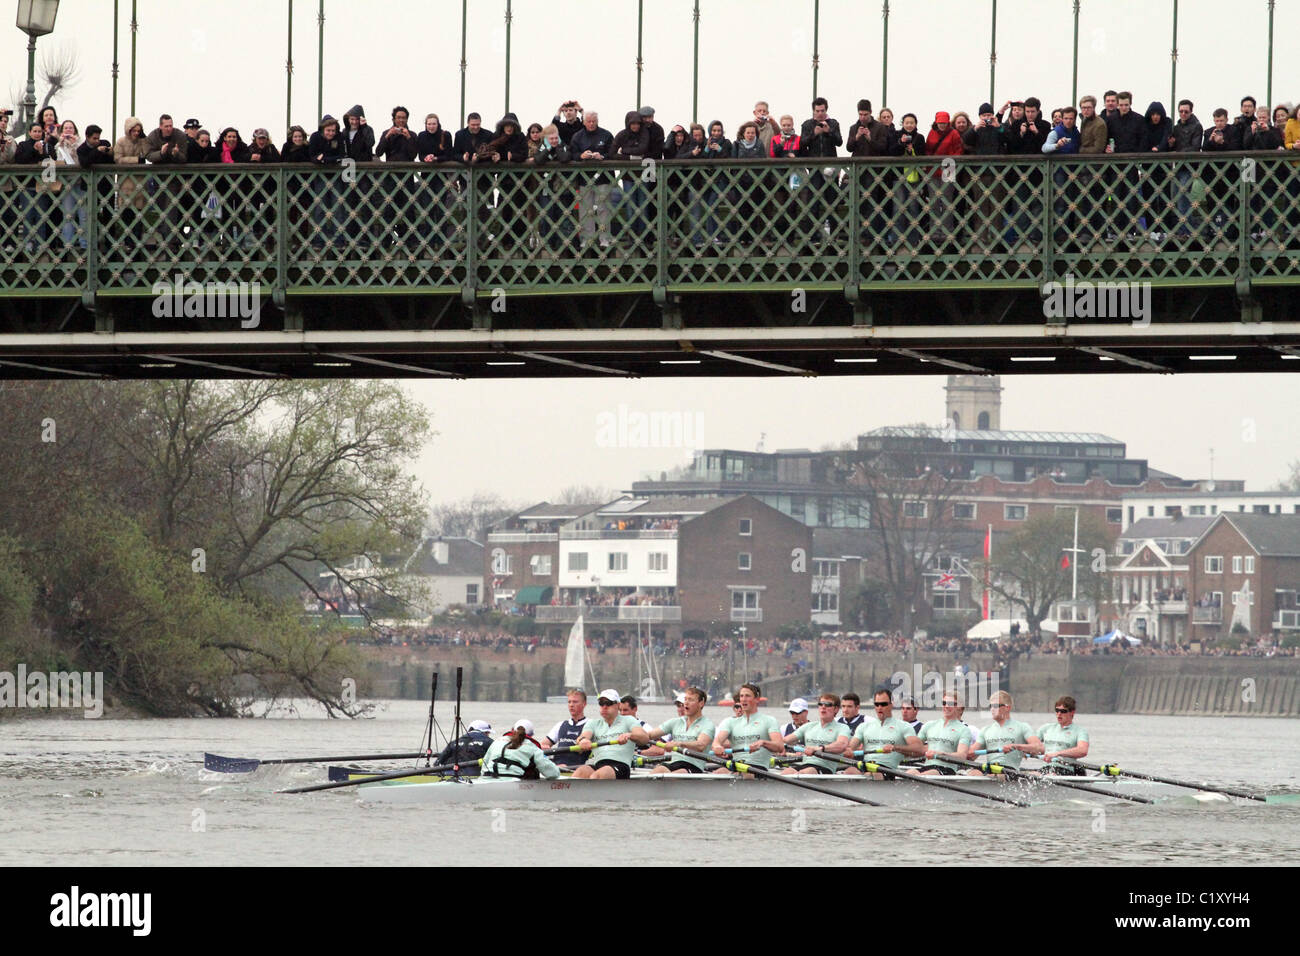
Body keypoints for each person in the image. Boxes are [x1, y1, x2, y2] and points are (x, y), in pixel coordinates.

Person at [843, 689, 925, 778]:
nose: (879, 707)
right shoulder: (864, 726)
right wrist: (848, 751)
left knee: (874, 774)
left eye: (883, 704)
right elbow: (851, 747)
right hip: (865, 765)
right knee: (849, 771)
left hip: (887, 768)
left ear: (891, 705)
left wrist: (895, 748)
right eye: (877, 704)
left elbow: (919, 749)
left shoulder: (903, 726)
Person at [572, 689, 650, 779]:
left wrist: (630, 735)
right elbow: (583, 736)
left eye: (608, 703)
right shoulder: (593, 723)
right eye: (601, 703)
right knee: (580, 773)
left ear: (618, 705)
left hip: (621, 766)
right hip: (598, 765)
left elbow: (644, 738)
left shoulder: (628, 720)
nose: (604, 706)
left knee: (597, 776)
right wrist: (583, 740)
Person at [712, 683, 783, 774]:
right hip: (736, 767)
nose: (743, 699)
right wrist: (717, 747)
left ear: (757, 699)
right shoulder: (730, 722)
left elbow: (779, 746)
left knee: (745, 774)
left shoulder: (769, 721)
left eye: (747, 696)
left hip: (758, 769)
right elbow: (716, 742)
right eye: (741, 696)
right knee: (719, 772)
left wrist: (763, 742)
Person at [966, 691, 1041, 775]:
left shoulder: (1022, 727)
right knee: (972, 773)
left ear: (1007, 708)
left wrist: (1016, 746)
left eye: (995, 706)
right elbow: (971, 755)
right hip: (990, 769)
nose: (992, 709)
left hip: (1009, 771)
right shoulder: (986, 730)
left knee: (999, 775)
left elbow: (1038, 747)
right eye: (990, 706)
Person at [646, 686, 714, 773]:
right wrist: (631, 735)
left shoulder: (707, 724)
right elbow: (649, 735)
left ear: (701, 703)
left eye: (691, 700)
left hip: (694, 767)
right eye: (685, 699)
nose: (686, 703)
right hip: (675, 763)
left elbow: (701, 745)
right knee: (659, 769)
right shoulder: (675, 722)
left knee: (679, 773)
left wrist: (678, 744)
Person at [781, 693, 851, 775]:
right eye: (821, 704)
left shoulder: (842, 728)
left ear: (836, 709)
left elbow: (841, 745)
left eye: (828, 705)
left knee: (808, 771)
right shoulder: (809, 726)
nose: (823, 707)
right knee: (787, 771)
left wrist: (819, 748)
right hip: (805, 765)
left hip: (825, 768)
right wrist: (774, 745)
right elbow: (785, 740)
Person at [480, 719, 562, 780]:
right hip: (512, 780)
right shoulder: (531, 746)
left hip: (488, 778)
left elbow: (485, 764)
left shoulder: (497, 740)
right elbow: (552, 773)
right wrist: (557, 772)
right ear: (530, 735)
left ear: (512, 730)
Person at [911, 693, 971, 775]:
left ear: (958, 707)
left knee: (923, 775)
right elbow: (914, 747)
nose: (946, 706)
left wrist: (941, 754)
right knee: (910, 773)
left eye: (950, 704)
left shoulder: (964, 730)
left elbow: (962, 756)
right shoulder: (929, 725)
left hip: (947, 769)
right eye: (944, 703)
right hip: (928, 766)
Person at [1037, 695, 1090, 774]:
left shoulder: (1080, 731)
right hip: (1047, 768)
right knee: (1023, 775)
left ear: (1072, 712)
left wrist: (1057, 754)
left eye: (1063, 711)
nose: (1059, 714)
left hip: (1065, 770)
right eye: (1057, 710)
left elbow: (1083, 750)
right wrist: (1020, 747)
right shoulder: (1046, 728)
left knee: (1042, 775)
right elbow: (1032, 745)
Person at [539, 688, 589, 770]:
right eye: (569, 702)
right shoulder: (560, 725)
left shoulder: (590, 725)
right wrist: (543, 747)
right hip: (556, 767)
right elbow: (542, 745)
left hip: (576, 768)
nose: (571, 705)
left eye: (575, 702)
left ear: (584, 704)